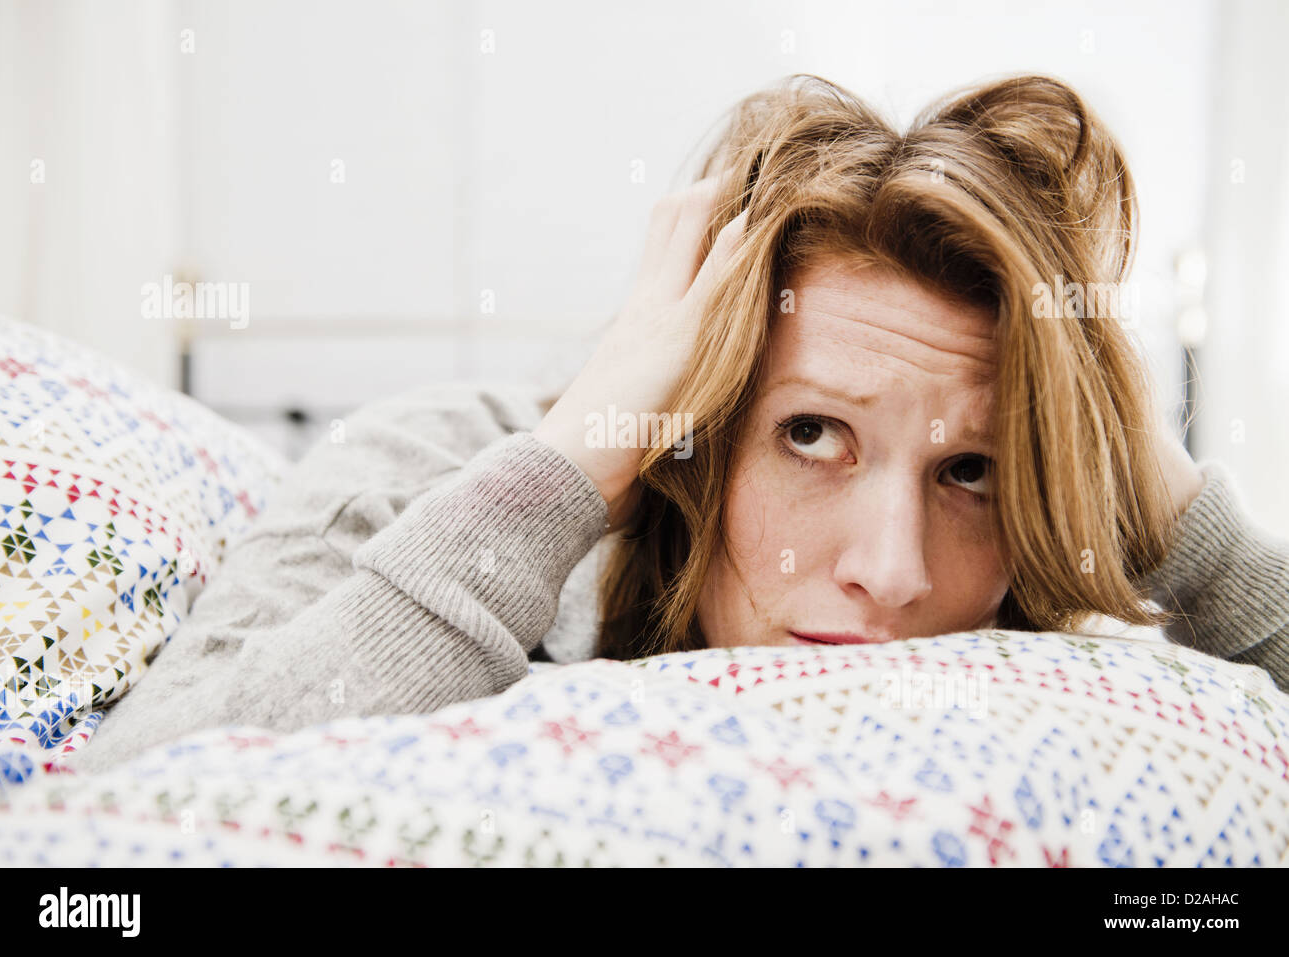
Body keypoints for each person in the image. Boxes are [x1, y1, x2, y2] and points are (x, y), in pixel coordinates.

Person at [66, 73, 1289, 775]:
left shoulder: (1030, 618)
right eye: (812, 434)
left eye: (967, 468)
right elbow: (109, 844)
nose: (891, 572)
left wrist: (1155, 495)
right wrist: (584, 448)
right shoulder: (430, 468)